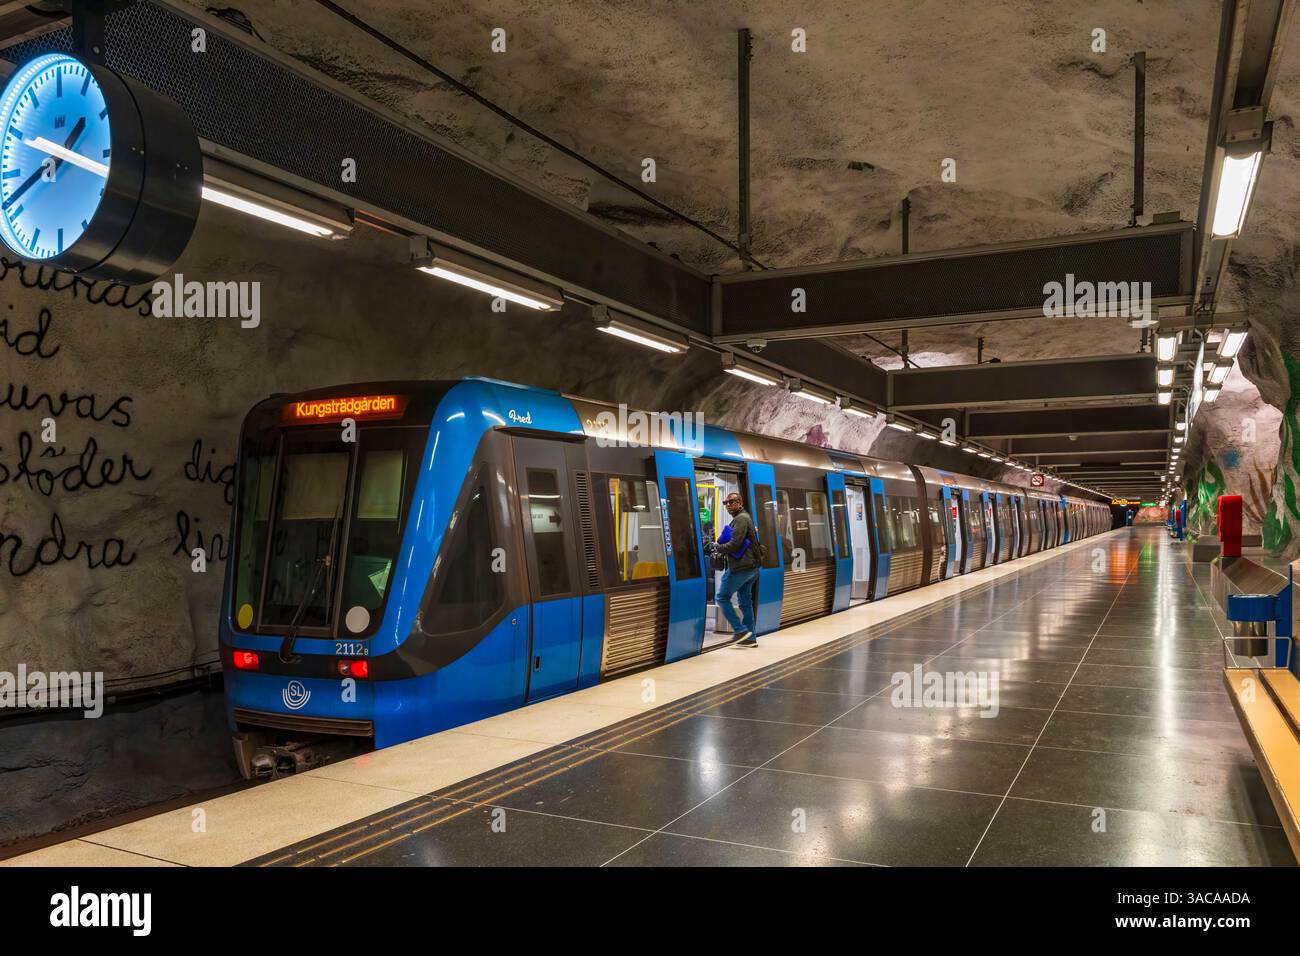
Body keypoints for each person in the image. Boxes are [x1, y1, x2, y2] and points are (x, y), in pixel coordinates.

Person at [708, 492, 761, 646]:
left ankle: (740, 630)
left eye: (732, 502)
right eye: (726, 503)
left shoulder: (741, 519)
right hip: (751, 568)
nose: (729, 505)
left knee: (722, 597)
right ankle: (750, 638)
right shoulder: (743, 518)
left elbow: (735, 545)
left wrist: (717, 547)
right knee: (745, 602)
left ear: (740, 503)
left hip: (741, 567)